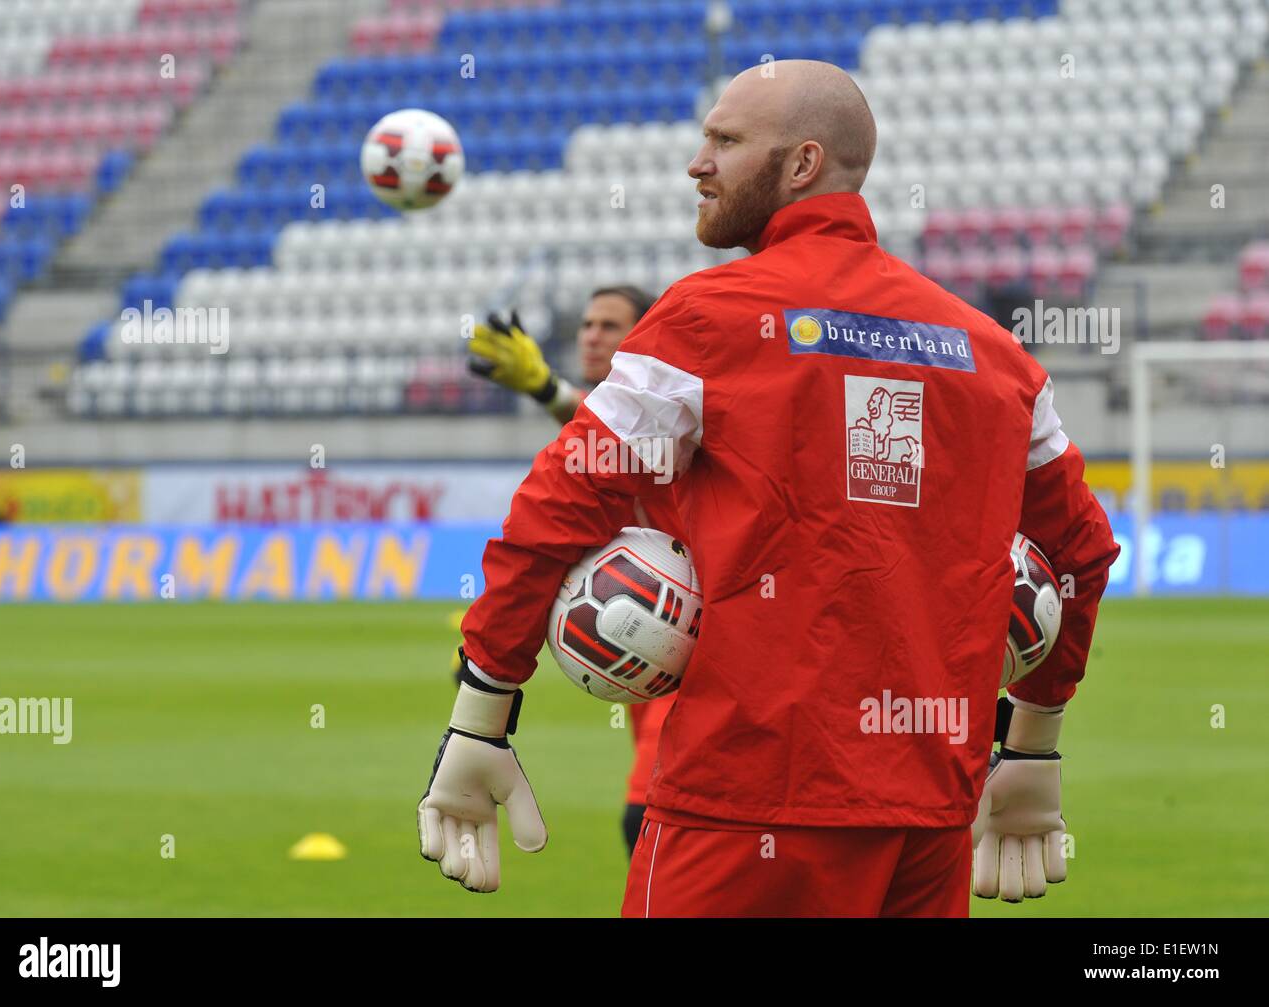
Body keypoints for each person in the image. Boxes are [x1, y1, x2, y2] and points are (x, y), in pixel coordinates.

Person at [418, 59, 1119, 916]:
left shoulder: (707, 319)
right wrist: (1035, 744)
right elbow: (1079, 549)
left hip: (743, 807)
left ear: (802, 164)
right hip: (929, 820)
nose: (697, 163)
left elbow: (559, 505)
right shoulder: (995, 355)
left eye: (724, 140)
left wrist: (483, 708)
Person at [465, 285, 679, 857]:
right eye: (586, 323)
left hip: (684, 640)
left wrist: (545, 387)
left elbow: (616, 430)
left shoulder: (674, 421)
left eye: (609, 326)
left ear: (642, 338)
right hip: (645, 640)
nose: (590, 334)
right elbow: (598, 426)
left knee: (650, 819)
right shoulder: (610, 425)